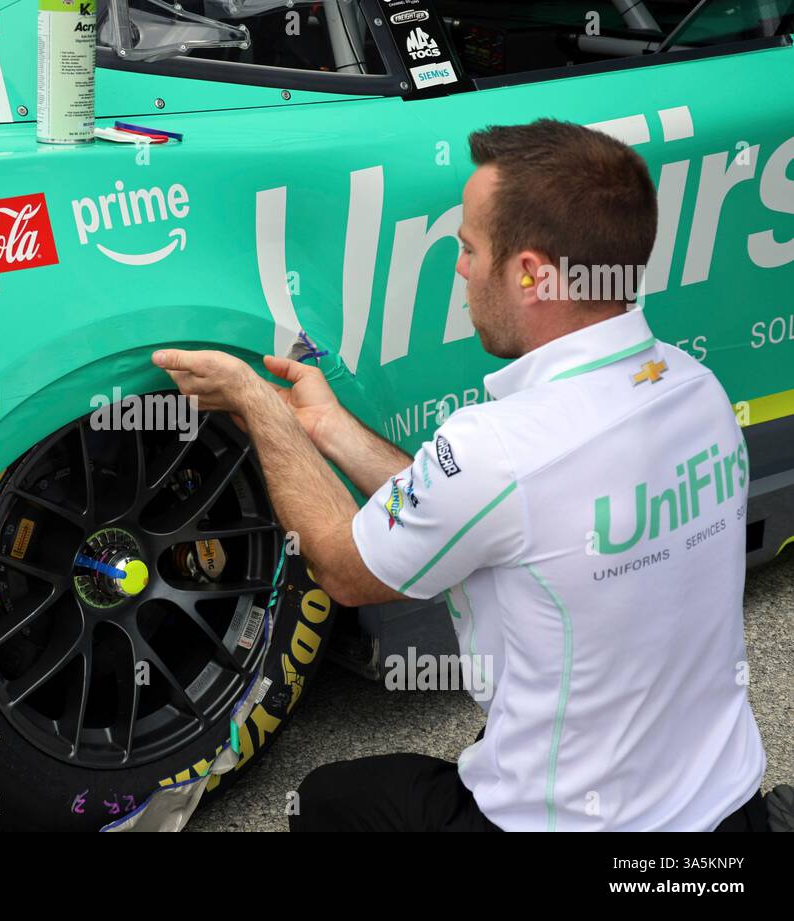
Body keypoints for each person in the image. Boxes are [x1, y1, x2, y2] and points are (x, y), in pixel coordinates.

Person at [153, 119, 768, 831]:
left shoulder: (499, 449)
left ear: (532, 272)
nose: (461, 269)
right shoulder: (698, 389)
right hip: (726, 813)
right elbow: (481, 513)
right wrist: (330, 429)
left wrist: (260, 407)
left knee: (327, 803)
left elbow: (344, 566)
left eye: (470, 248)